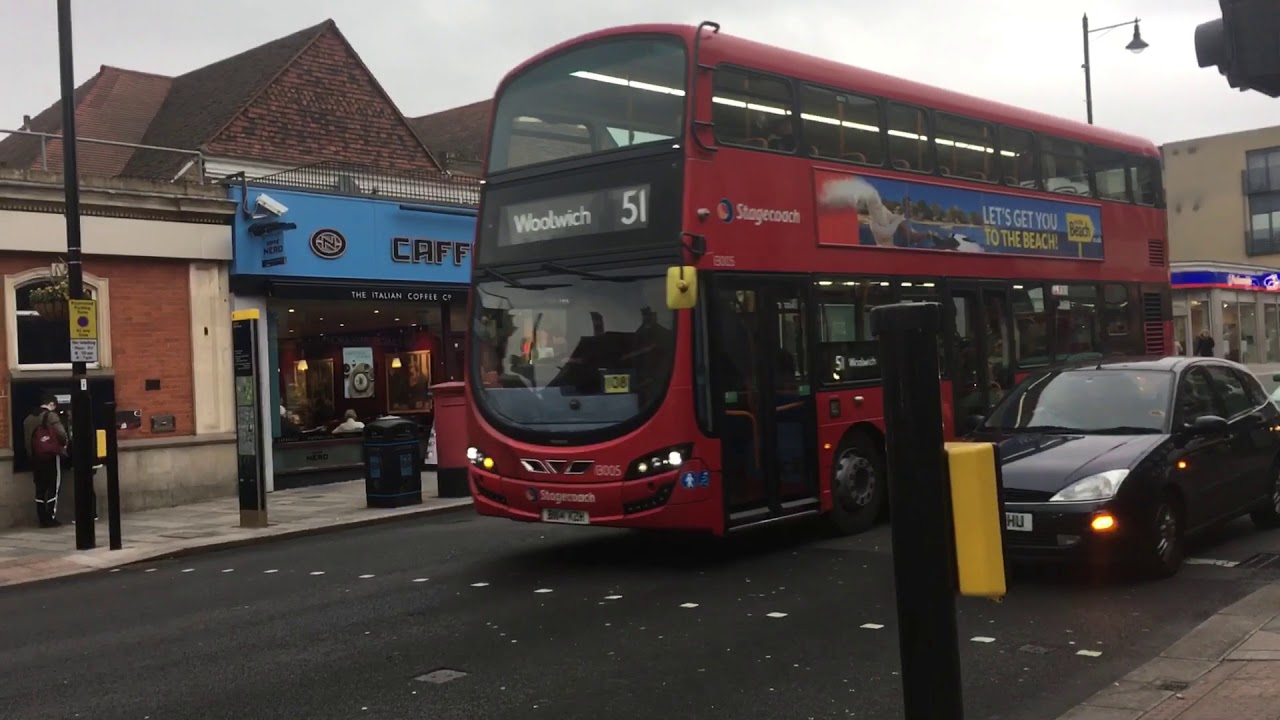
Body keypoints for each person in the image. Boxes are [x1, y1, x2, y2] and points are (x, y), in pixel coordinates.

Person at [23, 394, 67, 528]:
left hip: (36, 459)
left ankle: (41, 517)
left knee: (40, 488)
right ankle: (50, 517)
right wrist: (64, 445)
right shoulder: (51, 416)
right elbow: (61, 434)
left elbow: (27, 441)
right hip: (51, 456)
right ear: (51, 404)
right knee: (54, 486)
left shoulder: (28, 419)